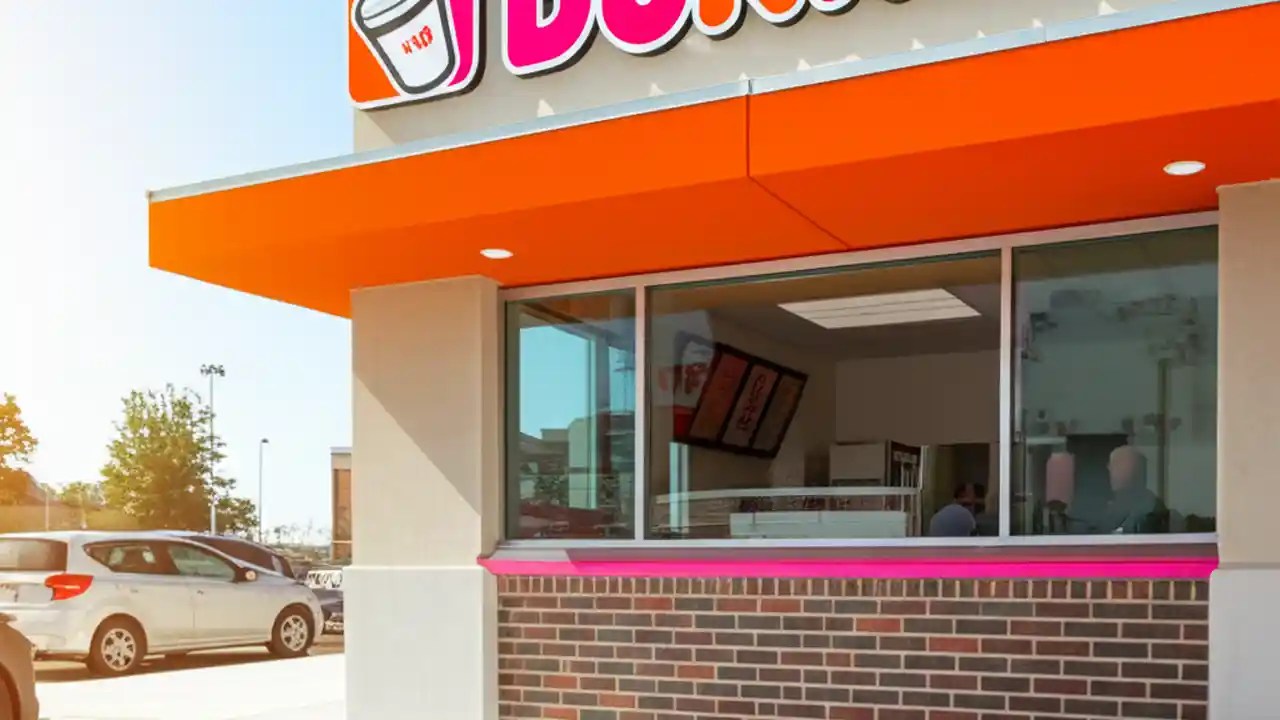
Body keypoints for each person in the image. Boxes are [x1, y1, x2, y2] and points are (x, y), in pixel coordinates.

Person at [1104, 446, 1168, 534]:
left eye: (1118, 465)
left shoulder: (1151, 507)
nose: (1111, 470)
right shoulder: (1108, 505)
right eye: (1111, 466)